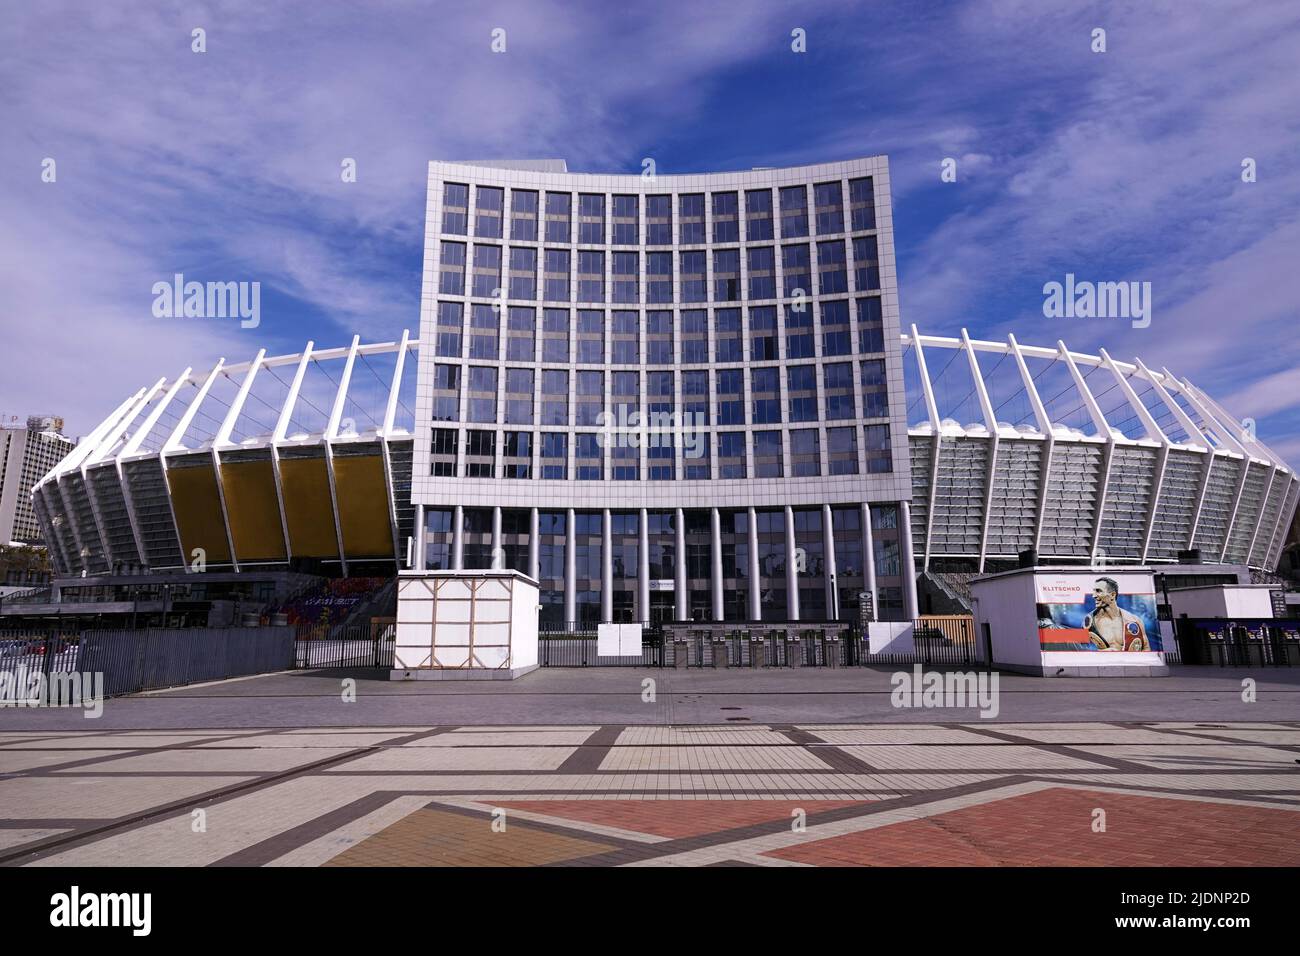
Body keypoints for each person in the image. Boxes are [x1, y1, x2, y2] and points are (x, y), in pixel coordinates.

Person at [1084, 577, 1148, 651]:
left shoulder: (1135, 620)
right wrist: (1100, 653)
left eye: (1098, 591)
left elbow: (1146, 648)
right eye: (1094, 591)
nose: (1093, 595)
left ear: (1113, 595)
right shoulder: (1089, 623)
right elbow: (1082, 651)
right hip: (1103, 662)